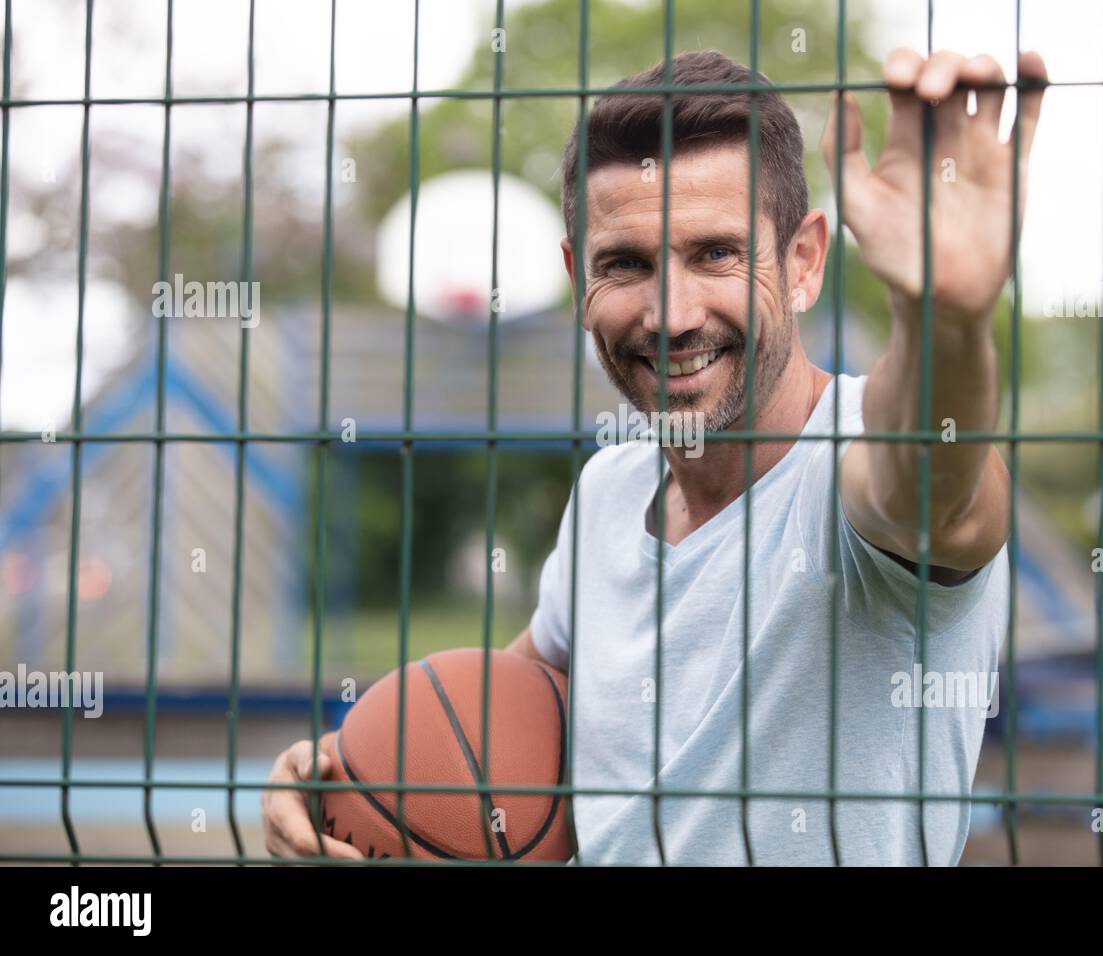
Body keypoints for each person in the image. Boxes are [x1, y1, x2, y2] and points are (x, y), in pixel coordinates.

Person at [263, 45, 1047, 865]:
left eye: (716, 253)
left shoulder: (859, 467)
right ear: (577, 279)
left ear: (806, 261)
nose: (670, 315)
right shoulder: (609, 488)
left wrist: (945, 320)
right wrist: (343, 775)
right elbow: (507, 712)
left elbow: (934, 484)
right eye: (626, 265)